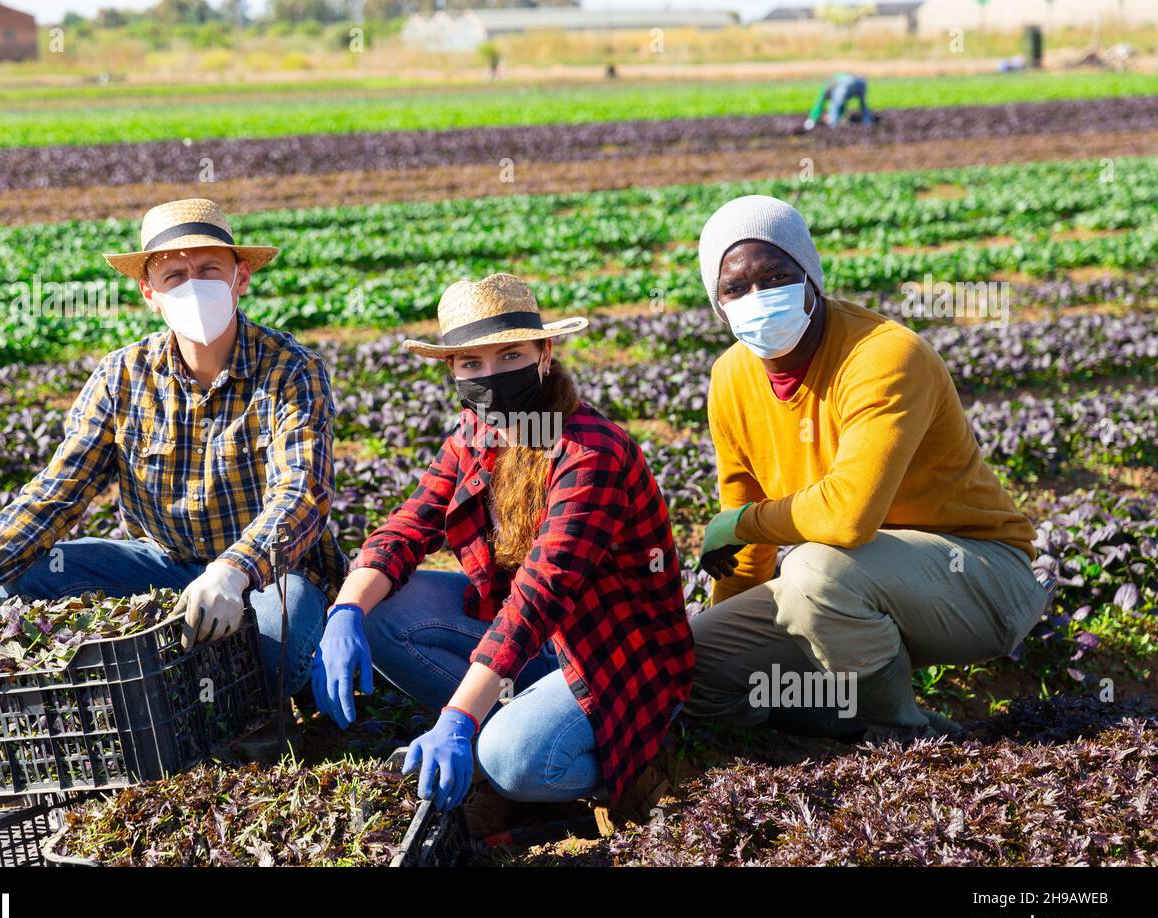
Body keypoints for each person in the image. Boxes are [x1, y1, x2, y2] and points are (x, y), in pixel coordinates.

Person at [0, 198, 345, 700]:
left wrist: (233, 571)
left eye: (208, 270)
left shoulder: (290, 369)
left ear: (240, 278)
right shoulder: (122, 376)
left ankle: (252, 709)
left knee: (278, 631)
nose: (192, 285)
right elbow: (55, 495)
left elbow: (302, 493)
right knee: (24, 578)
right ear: (149, 293)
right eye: (174, 275)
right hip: (160, 565)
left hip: (270, 577)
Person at [311, 273, 693, 835]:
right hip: (533, 651)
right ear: (453, 371)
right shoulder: (475, 433)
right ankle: (503, 724)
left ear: (544, 352)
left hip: (615, 659)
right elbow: (407, 527)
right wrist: (343, 614)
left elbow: (540, 597)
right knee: (379, 608)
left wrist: (458, 720)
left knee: (512, 759)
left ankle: (616, 768)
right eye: (470, 364)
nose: (490, 378)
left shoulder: (590, 452)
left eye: (509, 354)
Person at [688, 194, 1051, 741]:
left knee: (815, 572)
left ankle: (906, 736)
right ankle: (829, 722)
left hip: (981, 577)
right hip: (855, 589)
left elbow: (848, 517)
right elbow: (742, 538)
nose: (758, 298)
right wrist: (734, 624)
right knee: (689, 664)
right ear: (719, 304)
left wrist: (742, 523)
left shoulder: (883, 354)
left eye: (778, 276)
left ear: (811, 276)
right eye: (736, 288)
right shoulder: (731, 378)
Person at [803, 72, 872, 130]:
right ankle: (867, 123)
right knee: (863, 104)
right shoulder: (835, 82)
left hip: (844, 83)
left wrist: (812, 118)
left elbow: (819, 103)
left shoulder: (826, 86)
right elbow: (842, 106)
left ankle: (833, 127)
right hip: (859, 82)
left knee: (834, 105)